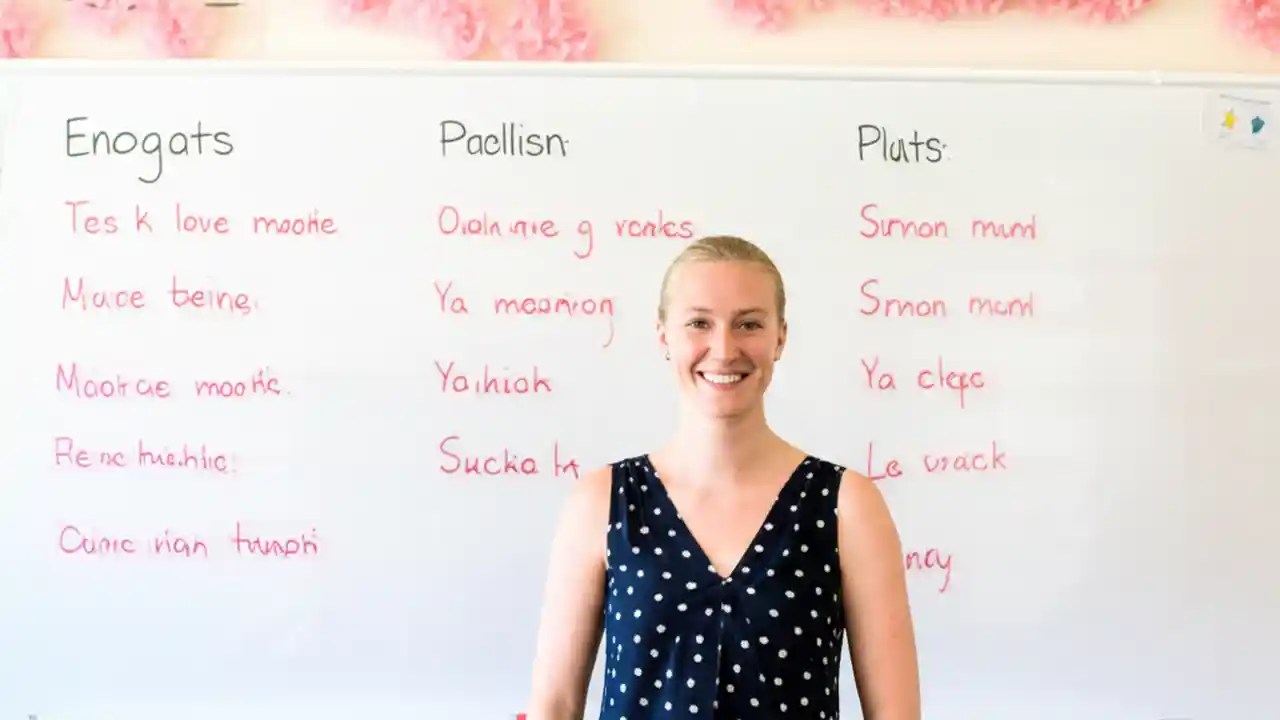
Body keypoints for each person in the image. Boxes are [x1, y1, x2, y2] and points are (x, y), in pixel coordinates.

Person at [525, 235, 920, 719]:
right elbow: (554, 706)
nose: (724, 348)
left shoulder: (847, 505)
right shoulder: (603, 500)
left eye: (749, 324)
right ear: (663, 336)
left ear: (780, 337)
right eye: (698, 323)